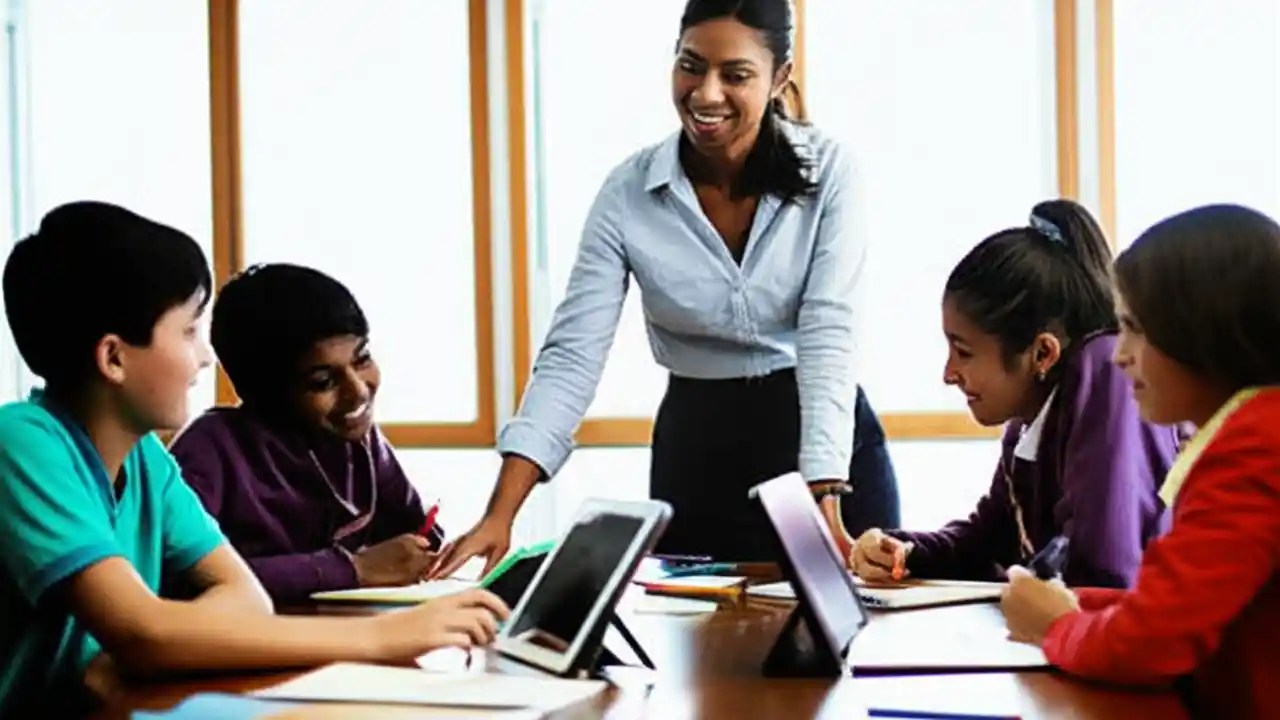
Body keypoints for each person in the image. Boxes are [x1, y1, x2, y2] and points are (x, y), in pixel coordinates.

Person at [433, 0, 899, 575]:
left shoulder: (830, 173)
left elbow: (829, 333)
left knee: (842, 643)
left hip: (821, 448)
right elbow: (572, 357)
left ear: (780, 77)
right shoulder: (628, 192)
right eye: (691, 65)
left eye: (736, 74)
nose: (706, 93)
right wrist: (500, 514)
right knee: (707, 654)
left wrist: (824, 495)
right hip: (699, 453)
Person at [0, 202, 507, 716]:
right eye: (189, 331)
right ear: (114, 357)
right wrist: (381, 636)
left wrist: (151, 642)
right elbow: (141, 630)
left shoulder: (147, 460)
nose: (204, 357)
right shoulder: (22, 442)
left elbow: (244, 599)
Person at [1001, 204, 1280, 719]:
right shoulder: (1251, 430)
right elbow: (1173, 606)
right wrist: (1075, 606)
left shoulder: (1254, 450)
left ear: (1199, 330)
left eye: (1134, 328)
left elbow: (1151, 644)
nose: (1119, 354)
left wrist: (1056, 627)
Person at [850, 200, 1180, 588]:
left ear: (1042, 353)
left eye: (964, 352)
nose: (948, 374)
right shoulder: (1031, 418)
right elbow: (990, 541)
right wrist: (904, 551)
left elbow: (1104, 571)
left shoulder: (1109, 374)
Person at [170, 264, 440, 604]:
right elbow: (180, 578)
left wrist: (425, 547)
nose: (357, 391)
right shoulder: (212, 450)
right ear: (261, 393)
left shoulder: (361, 443)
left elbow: (413, 530)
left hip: (341, 638)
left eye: (362, 358)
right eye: (323, 382)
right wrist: (352, 568)